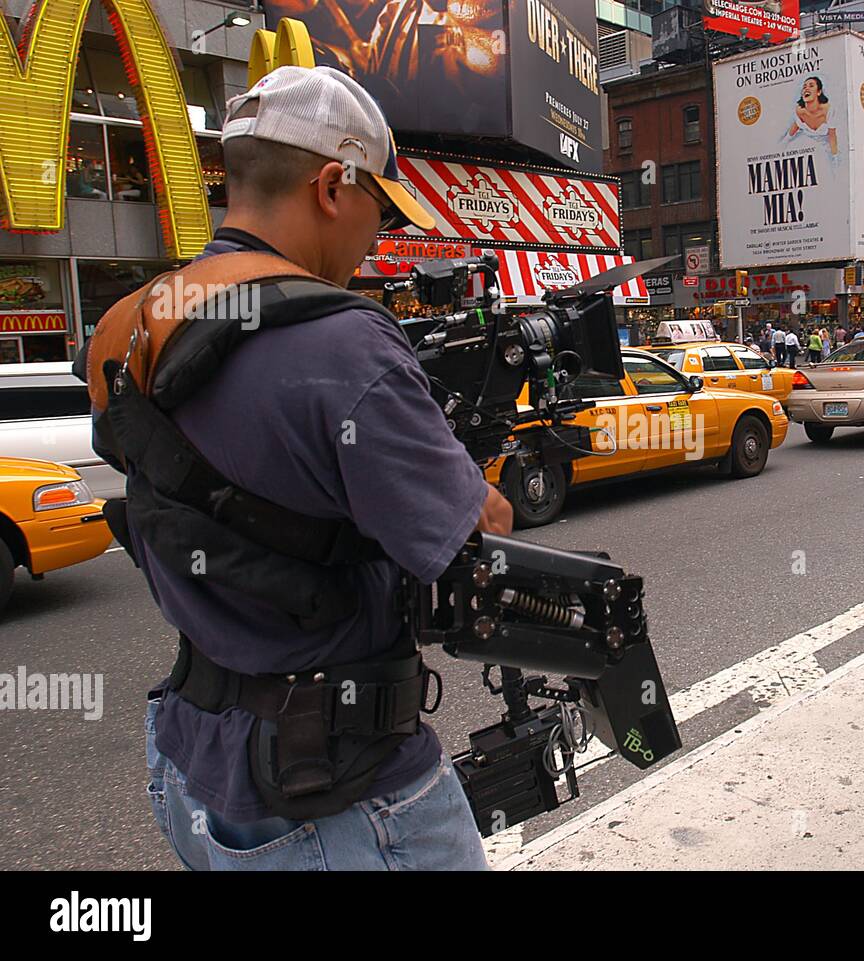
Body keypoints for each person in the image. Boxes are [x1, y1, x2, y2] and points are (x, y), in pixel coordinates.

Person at [89, 66, 514, 870]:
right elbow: (475, 534)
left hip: (192, 758)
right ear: (332, 186)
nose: (377, 239)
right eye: (379, 210)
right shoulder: (349, 343)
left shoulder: (128, 325)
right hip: (342, 795)